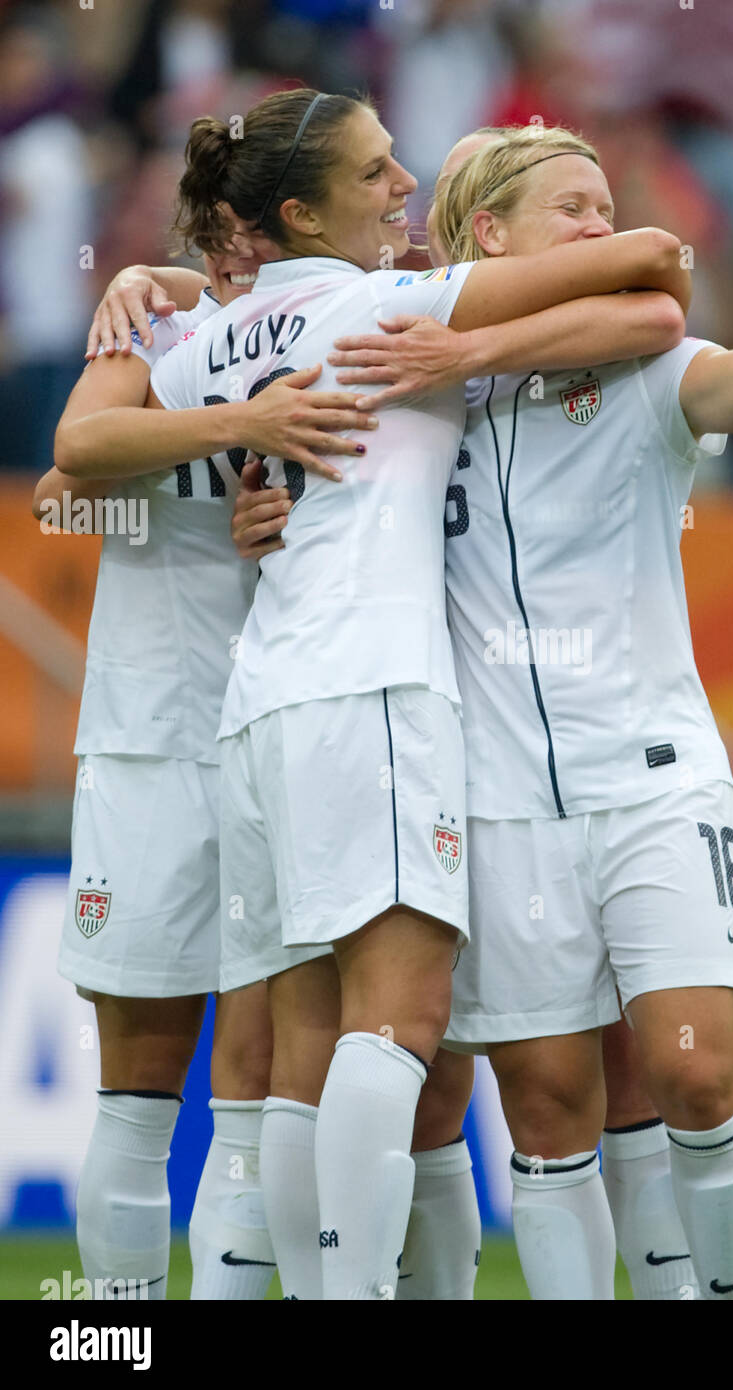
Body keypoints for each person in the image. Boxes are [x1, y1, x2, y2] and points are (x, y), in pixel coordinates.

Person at [270, 122, 733, 1300]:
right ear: (491, 235)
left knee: (692, 1070)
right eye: (572, 207)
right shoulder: (403, 382)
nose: (602, 225)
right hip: (493, 793)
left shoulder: (640, 369)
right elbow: (258, 361)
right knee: (545, 1104)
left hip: (649, 772)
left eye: (607, 201)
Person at [105, 85, 691, 1301]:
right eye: (378, 175)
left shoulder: (217, 341)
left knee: (304, 1050)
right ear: (305, 211)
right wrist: (465, 344)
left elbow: (86, 445)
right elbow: (649, 271)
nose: (405, 188)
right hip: (368, 686)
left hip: (257, 707)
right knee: (400, 1023)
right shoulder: (381, 304)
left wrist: (150, 295)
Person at [36, 241, 364, 1301]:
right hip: (146, 740)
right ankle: (119, 1331)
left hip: (279, 736)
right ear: (240, 238)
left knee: (263, 1085)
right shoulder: (155, 334)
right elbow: (62, 489)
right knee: (138, 1090)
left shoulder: (354, 323)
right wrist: (220, 462)